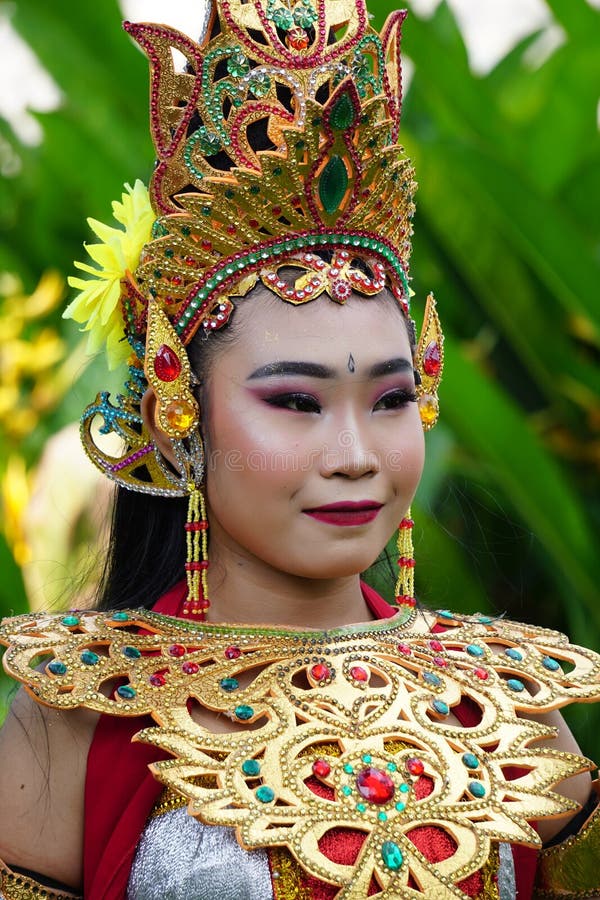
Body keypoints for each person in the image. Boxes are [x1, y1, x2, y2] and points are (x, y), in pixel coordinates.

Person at [1, 1, 599, 897]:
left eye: (391, 398)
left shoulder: (509, 705)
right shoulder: (75, 720)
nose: (356, 452)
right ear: (180, 411)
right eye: (295, 401)